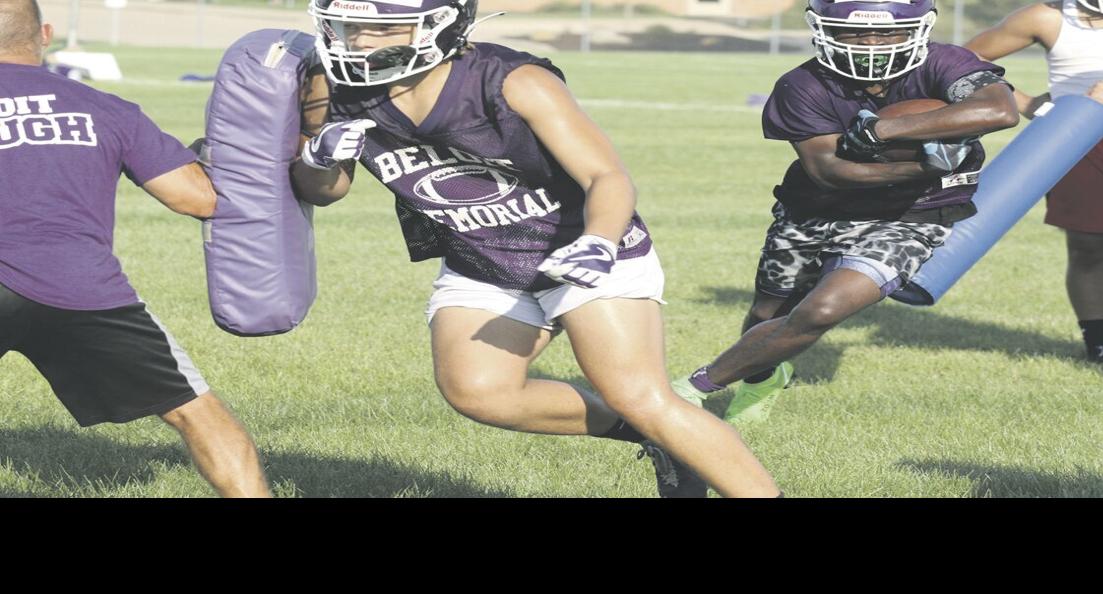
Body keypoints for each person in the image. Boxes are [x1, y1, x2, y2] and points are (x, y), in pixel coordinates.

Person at [291, 0, 780, 497]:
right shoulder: (334, 87)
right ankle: (659, 438)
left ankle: (678, 436)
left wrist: (598, 242)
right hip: (481, 260)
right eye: (349, 26)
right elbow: (324, 192)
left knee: (638, 395)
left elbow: (606, 176)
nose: (359, 40)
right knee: (481, 393)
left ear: (441, 26)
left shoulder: (513, 81)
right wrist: (316, 159)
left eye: (381, 28)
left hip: (583, 247)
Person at [670, 0, 1018, 421]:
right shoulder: (802, 84)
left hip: (912, 214)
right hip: (816, 208)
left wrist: (883, 129)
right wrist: (921, 167)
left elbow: (1001, 110)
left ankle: (693, 388)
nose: (871, 43)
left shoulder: (946, 62)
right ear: (824, 29)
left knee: (822, 309)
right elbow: (829, 171)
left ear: (919, 29)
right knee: (768, 313)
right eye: (854, 31)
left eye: (886, 32)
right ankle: (762, 380)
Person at [0, 0, 271, 497]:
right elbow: (197, 200)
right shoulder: (105, 107)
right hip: (82, 286)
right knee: (194, 411)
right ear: (46, 34)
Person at [967, 0, 1103, 364]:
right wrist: (1026, 103)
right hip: (1079, 140)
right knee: (1089, 246)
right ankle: (1099, 345)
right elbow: (963, 61)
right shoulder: (1047, 16)